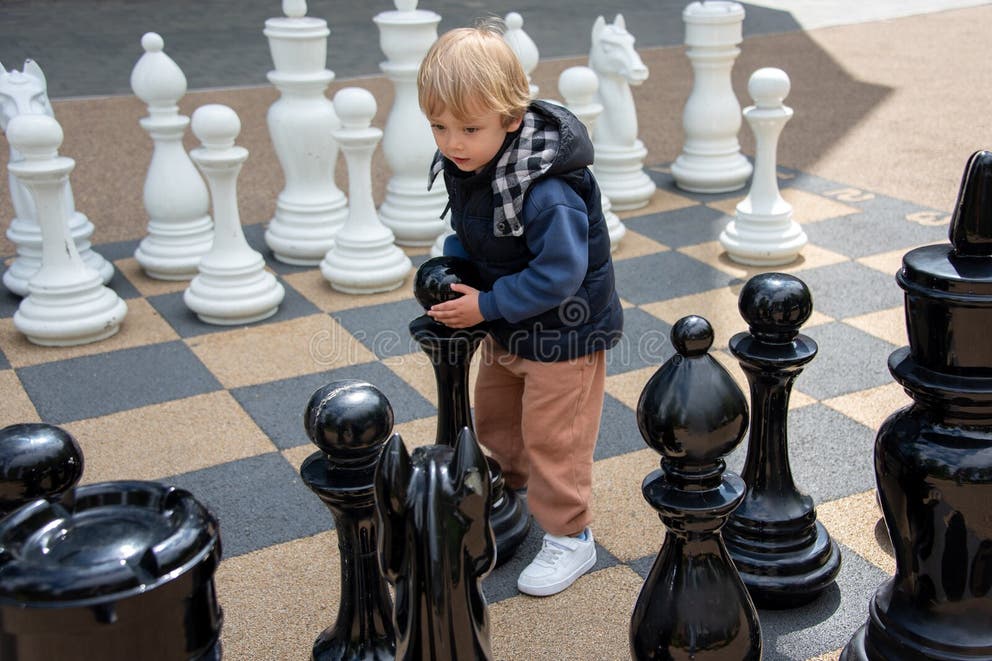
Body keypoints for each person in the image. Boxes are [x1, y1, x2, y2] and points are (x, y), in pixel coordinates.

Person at [417, 19, 623, 597]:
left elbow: (561, 273)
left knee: (554, 437)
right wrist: (456, 266)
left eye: (468, 127)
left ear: (511, 119)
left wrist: (485, 304)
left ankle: (569, 536)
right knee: (497, 422)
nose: (452, 142)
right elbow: (476, 235)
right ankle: (511, 502)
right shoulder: (476, 164)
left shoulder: (546, 188)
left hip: (565, 335)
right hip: (510, 327)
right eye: (438, 126)